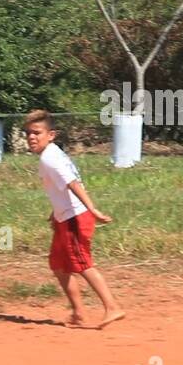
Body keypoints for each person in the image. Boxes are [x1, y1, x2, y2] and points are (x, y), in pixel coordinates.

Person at [24, 109, 125, 329]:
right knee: (59, 265)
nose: (32, 137)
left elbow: (72, 183)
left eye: (37, 133)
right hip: (65, 217)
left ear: (51, 135)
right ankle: (78, 312)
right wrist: (55, 212)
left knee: (82, 264)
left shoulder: (51, 158)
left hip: (76, 218)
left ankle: (112, 307)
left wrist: (92, 209)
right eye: (28, 133)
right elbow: (61, 189)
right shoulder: (50, 155)